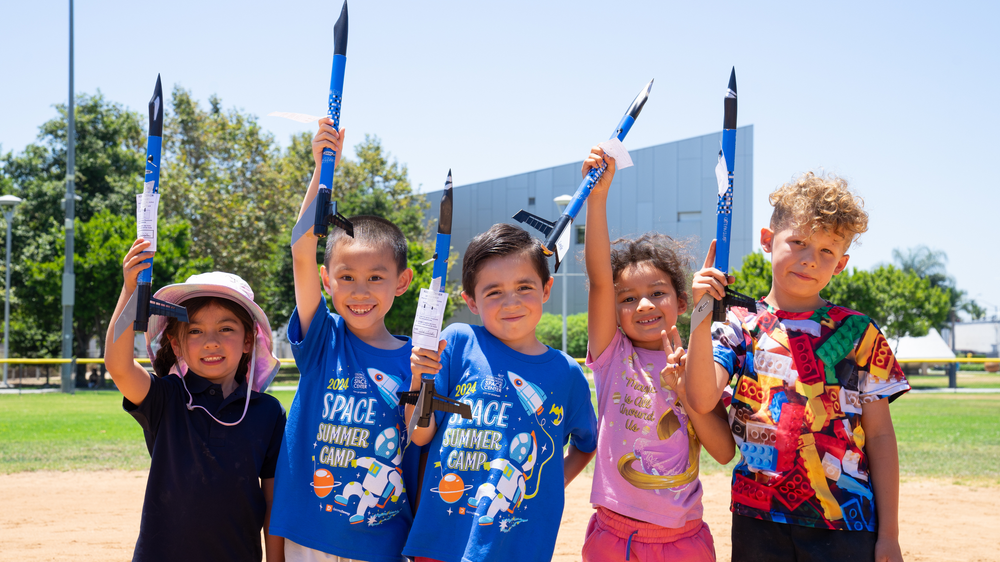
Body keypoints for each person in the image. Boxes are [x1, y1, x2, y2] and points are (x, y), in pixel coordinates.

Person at [685, 172, 909, 562]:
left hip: (845, 522)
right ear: (768, 241)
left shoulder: (859, 332)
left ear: (841, 264)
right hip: (758, 518)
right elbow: (702, 398)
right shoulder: (739, 323)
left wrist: (888, 534)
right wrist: (701, 314)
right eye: (799, 242)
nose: (810, 259)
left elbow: (881, 438)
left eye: (827, 251)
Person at [268, 119, 420, 562]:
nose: (359, 291)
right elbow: (301, 246)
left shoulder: (420, 359)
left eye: (376, 277)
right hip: (308, 538)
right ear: (326, 281)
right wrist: (321, 167)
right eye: (347, 277)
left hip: (383, 544)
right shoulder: (323, 338)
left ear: (402, 281)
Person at [403, 222, 598, 562]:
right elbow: (420, 436)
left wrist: (545, 486)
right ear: (471, 300)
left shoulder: (566, 373)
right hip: (442, 541)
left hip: (518, 546)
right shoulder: (459, 342)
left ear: (546, 288)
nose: (511, 302)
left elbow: (586, 445)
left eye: (524, 287)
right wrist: (420, 380)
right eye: (493, 292)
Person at [580, 147, 735, 561]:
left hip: (682, 542)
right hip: (613, 539)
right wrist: (598, 196)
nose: (643, 305)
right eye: (628, 298)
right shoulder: (613, 355)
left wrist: (685, 390)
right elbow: (598, 281)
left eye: (657, 293)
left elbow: (723, 451)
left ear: (682, 302)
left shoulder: (703, 362)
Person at [105, 250, 286, 562]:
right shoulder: (166, 397)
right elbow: (119, 366)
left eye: (226, 329)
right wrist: (130, 291)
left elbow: (274, 503)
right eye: (196, 331)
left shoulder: (268, 412)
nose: (211, 341)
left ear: (248, 341)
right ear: (176, 343)